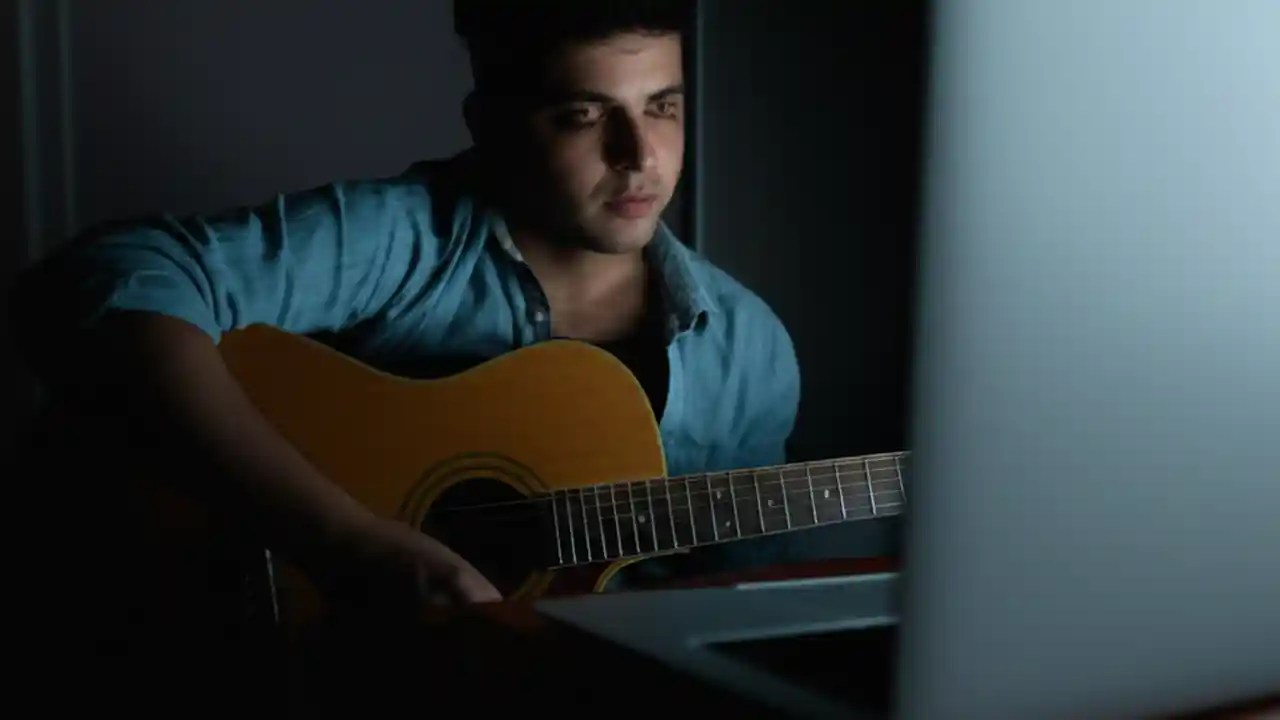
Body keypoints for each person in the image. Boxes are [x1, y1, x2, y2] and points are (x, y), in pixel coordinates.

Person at [11, 0, 802, 624]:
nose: (639, 155)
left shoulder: (749, 353)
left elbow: (719, 611)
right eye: (584, 115)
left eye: (663, 105)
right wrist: (342, 540)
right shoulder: (400, 239)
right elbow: (102, 279)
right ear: (489, 124)